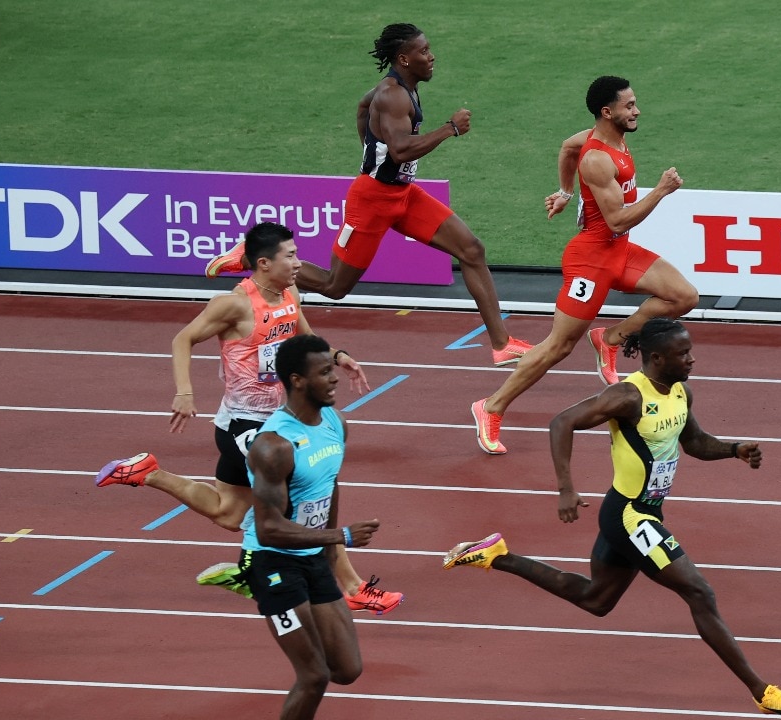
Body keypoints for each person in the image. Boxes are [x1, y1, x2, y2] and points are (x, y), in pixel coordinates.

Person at [445, 318, 781, 718]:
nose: (692, 359)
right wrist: (566, 487)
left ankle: (498, 555)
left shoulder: (680, 392)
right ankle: (763, 692)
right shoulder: (627, 397)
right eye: (683, 353)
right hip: (631, 517)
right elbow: (561, 421)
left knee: (595, 600)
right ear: (657, 358)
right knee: (700, 592)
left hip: (643, 512)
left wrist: (734, 449)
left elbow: (695, 443)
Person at [96, 222, 403, 614]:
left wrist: (338, 356)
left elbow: (303, 339)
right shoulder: (234, 304)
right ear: (263, 263)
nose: (298, 263)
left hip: (283, 418)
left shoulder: (290, 293)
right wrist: (184, 392)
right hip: (248, 425)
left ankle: (149, 472)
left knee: (229, 514)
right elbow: (182, 339)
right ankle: (350, 585)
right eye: (290, 256)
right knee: (311, 498)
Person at [204, 22, 530, 367]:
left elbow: (363, 108)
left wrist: (370, 150)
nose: (432, 57)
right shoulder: (393, 95)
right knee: (334, 286)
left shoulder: (398, 89)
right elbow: (402, 150)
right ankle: (252, 256)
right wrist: (449, 129)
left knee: (472, 249)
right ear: (403, 58)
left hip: (403, 196)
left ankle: (502, 344)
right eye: (423, 51)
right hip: (372, 200)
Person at [470, 75, 699, 454]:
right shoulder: (596, 158)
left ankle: (610, 338)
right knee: (558, 347)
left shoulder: (601, 138)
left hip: (618, 252)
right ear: (607, 113)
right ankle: (490, 406)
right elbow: (618, 220)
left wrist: (564, 192)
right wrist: (660, 191)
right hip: (591, 260)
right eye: (629, 106)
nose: (637, 110)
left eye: (635, 102)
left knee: (683, 296)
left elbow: (565, 148)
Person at [242, 333, 376, 720]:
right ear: (297, 380)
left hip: (312, 555)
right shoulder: (274, 446)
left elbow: (328, 484)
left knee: (347, 669)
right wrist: (342, 536)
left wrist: (331, 550)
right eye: (324, 373)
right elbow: (268, 529)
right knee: (314, 675)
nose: (334, 379)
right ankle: (247, 578)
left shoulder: (335, 422)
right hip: (270, 562)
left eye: (331, 371)